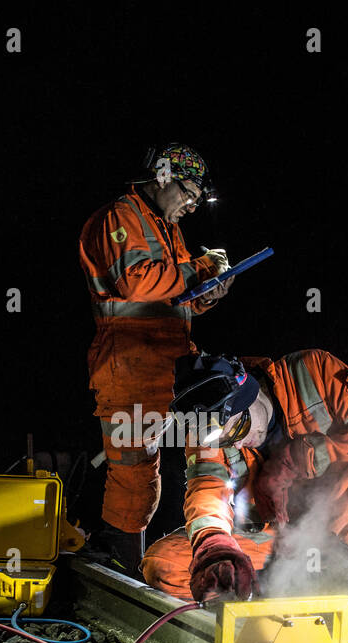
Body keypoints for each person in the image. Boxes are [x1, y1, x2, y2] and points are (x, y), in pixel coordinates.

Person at [78, 143, 234, 576]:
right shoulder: (120, 217)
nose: (191, 204)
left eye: (199, 199)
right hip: (128, 362)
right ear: (163, 176)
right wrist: (201, 268)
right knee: (133, 470)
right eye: (189, 192)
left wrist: (209, 291)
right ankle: (117, 561)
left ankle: (200, 555)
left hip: (175, 361)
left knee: (207, 449)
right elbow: (134, 282)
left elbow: (176, 298)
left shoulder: (167, 228)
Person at [142, 350, 348, 602]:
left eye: (239, 429)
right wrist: (215, 546)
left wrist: (292, 461)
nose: (237, 444)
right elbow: (207, 490)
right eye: (225, 441)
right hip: (273, 540)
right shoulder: (203, 430)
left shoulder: (313, 371)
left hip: (332, 539)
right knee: (163, 566)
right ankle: (264, 600)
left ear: (252, 393)